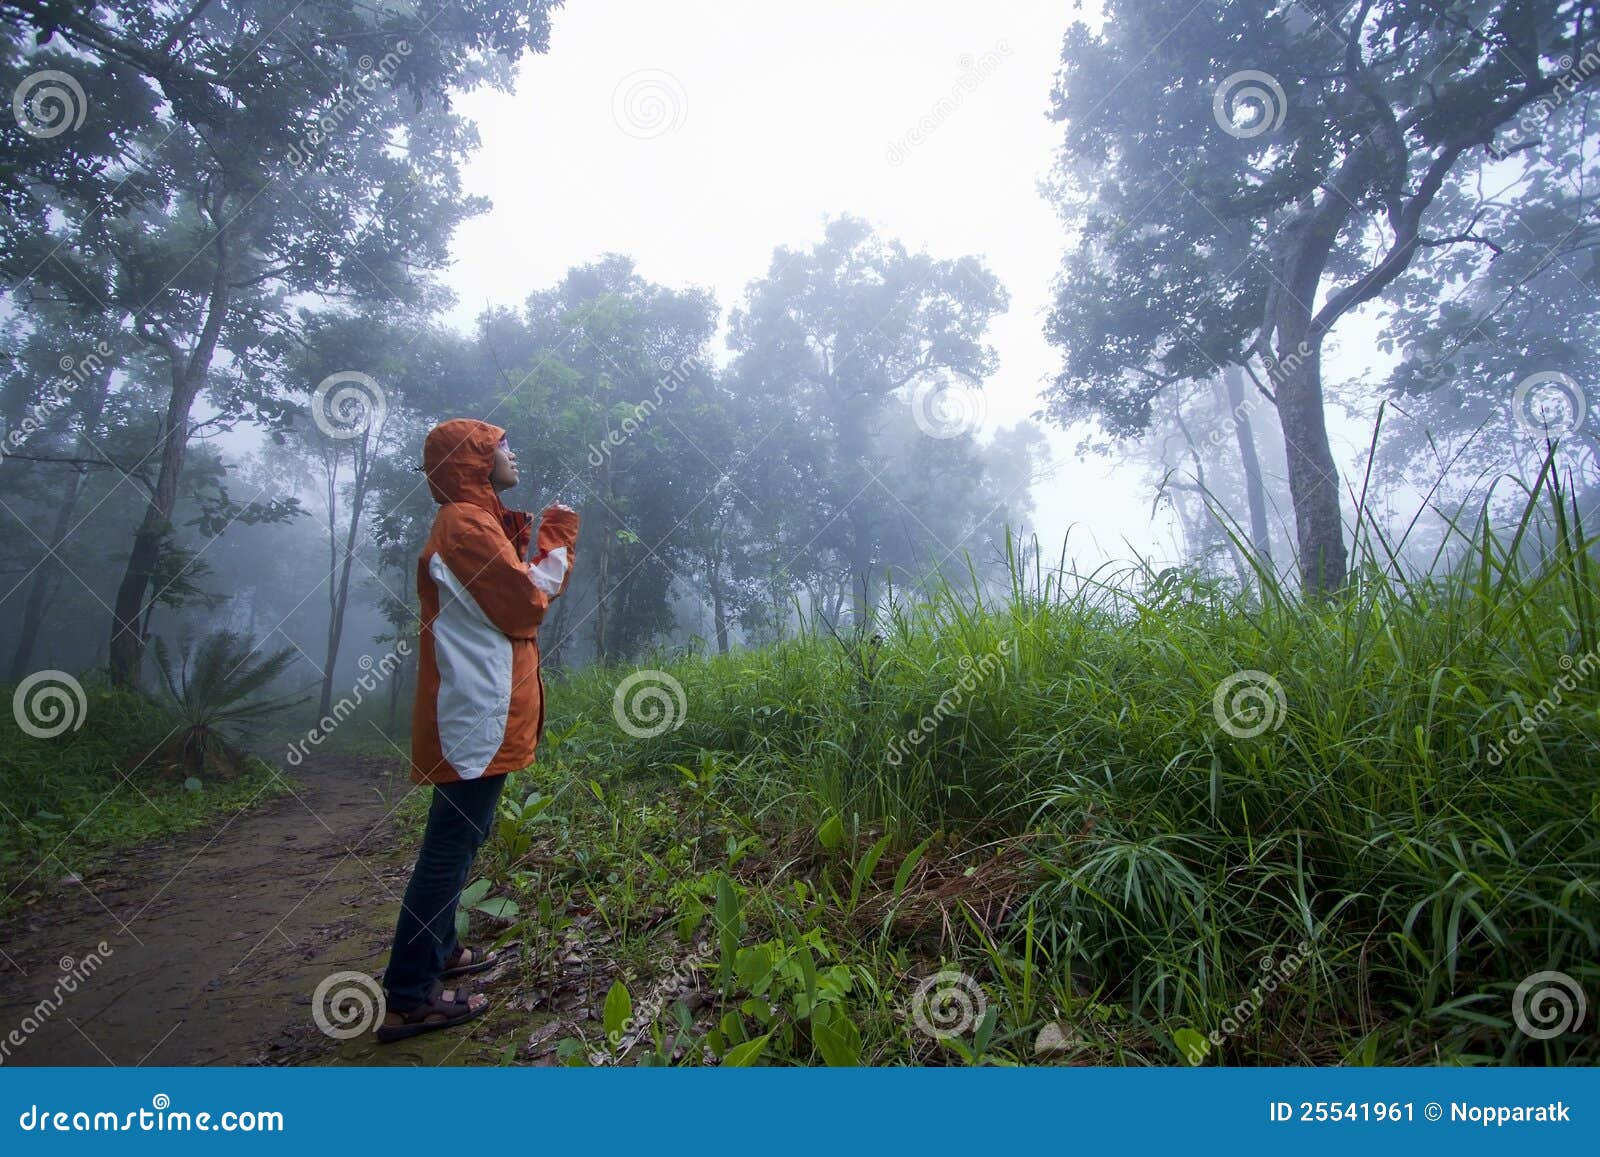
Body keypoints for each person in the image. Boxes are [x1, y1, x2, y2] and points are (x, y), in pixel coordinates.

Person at [377, 417, 579, 1043]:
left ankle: (441, 953)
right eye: (499, 447)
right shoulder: (464, 525)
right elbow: (526, 605)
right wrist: (557, 537)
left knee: (462, 836)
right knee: (449, 846)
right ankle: (411, 994)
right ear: (474, 462)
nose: (511, 454)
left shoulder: (474, 520)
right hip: (477, 712)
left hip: (482, 707)